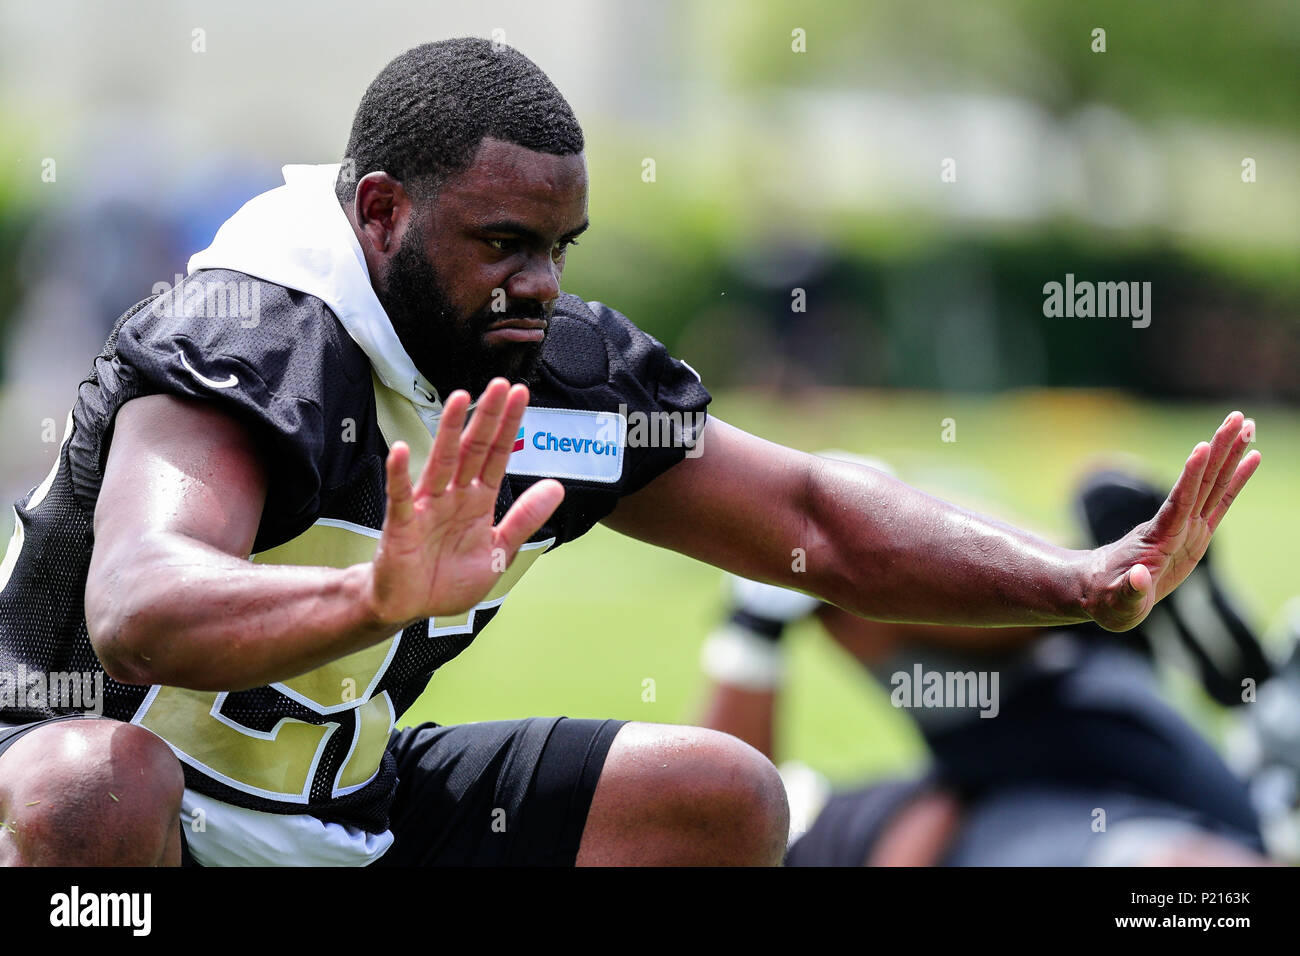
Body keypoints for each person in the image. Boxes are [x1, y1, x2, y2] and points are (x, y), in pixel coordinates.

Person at [0, 39, 1261, 867]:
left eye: (562, 246)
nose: (539, 284)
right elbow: (138, 613)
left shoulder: (554, 375)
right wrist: (369, 594)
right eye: (502, 241)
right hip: (113, 808)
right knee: (86, 786)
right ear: (379, 210)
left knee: (719, 795)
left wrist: (1079, 580)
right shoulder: (247, 331)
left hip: (343, 802)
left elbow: (814, 517)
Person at [698, 455, 1275, 865]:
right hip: (1024, 775)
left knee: (832, 564)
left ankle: (1084, 592)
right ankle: (1085, 589)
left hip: (999, 779)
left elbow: (721, 817)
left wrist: (753, 630)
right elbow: (719, 825)